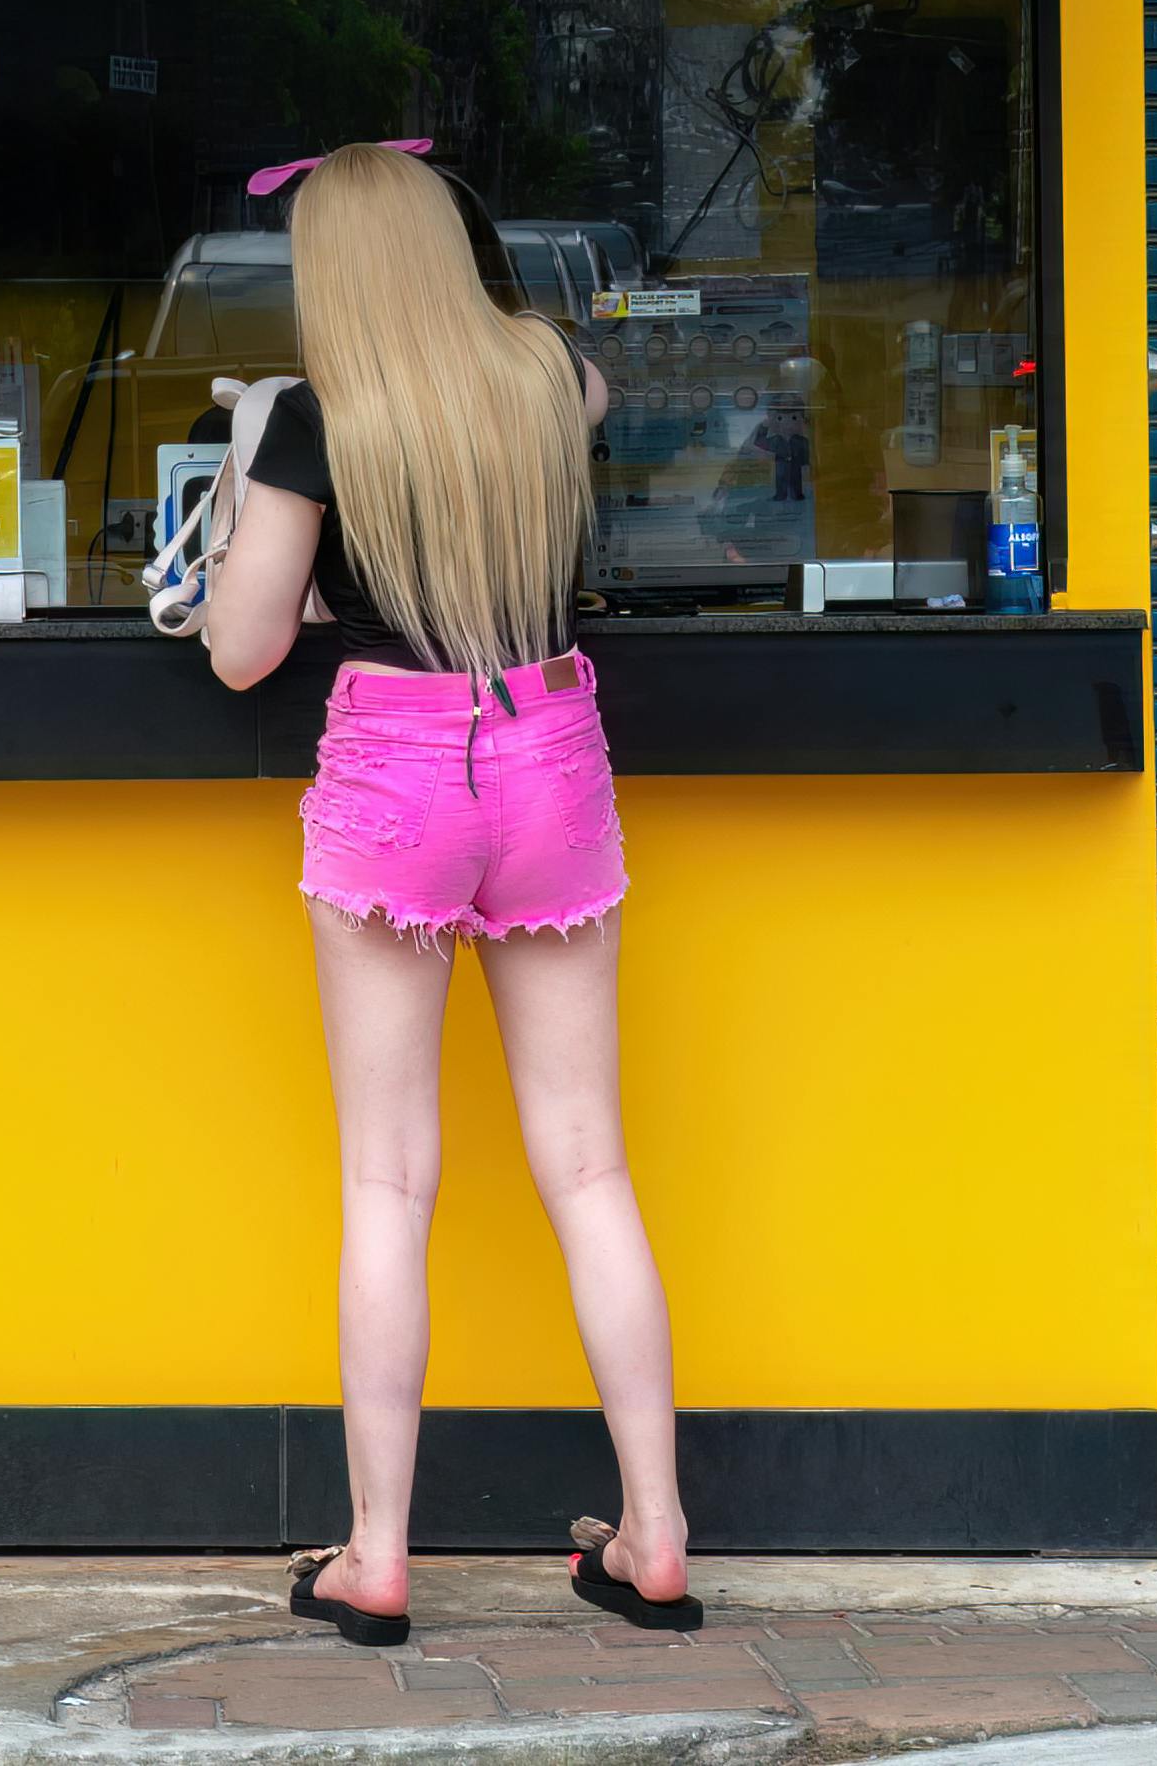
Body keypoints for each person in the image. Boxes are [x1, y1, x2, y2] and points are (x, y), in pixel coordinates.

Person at [196, 143, 692, 1648]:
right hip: (548, 745)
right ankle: (656, 1534)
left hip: (398, 767)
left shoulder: (298, 421)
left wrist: (236, 484)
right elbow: (581, 400)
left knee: (388, 1181)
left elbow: (238, 648)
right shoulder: (552, 376)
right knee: (591, 1167)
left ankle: (379, 1552)